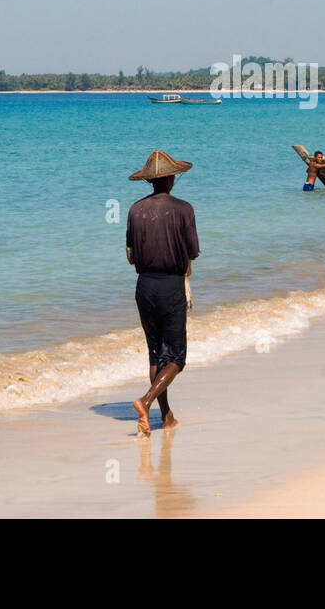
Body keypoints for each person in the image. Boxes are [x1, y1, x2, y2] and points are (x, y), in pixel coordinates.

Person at [126, 150, 199, 437]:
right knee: (176, 358)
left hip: (144, 286)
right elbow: (193, 251)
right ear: (171, 178)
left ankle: (166, 416)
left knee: (155, 354)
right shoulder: (184, 208)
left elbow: (131, 255)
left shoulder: (134, 210)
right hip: (170, 285)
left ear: (150, 181)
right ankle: (145, 401)